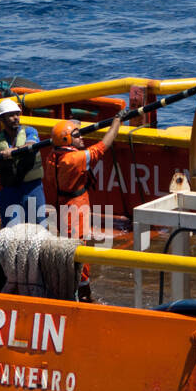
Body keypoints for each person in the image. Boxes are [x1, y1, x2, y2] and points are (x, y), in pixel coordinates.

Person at [51, 115, 121, 301]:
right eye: (77, 134)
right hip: (74, 209)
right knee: (79, 250)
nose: (81, 137)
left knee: (72, 247)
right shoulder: (74, 159)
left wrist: (75, 127)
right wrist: (116, 123)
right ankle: (82, 295)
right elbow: (103, 146)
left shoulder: (55, 155)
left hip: (65, 206)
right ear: (66, 139)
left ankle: (75, 288)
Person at [0, 97, 45, 226]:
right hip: (10, 190)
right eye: (11, 116)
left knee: (38, 224)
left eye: (17, 114)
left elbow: (31, 144)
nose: (16, 118)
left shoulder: (30, 131)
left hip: (31, 187)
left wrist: (14, 150)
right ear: (2, 119)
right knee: (10, 227)